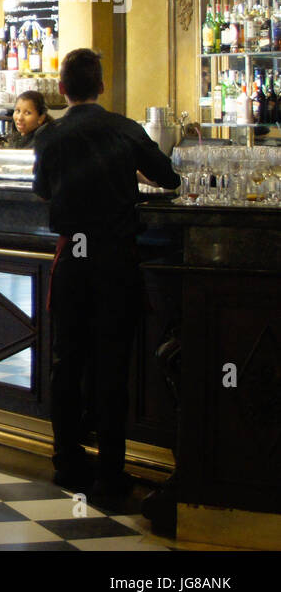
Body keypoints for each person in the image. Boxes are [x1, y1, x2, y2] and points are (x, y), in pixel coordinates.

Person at [33, 48, 180, 506]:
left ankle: (67, 461)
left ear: (61, 89)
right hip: (117, 259)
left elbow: (41, 189)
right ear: (102, 86)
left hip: (72, 259)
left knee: (67, 360)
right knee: (113, 364)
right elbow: (169, 179)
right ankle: (111, 474)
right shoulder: (125, 128)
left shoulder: (50, 135)